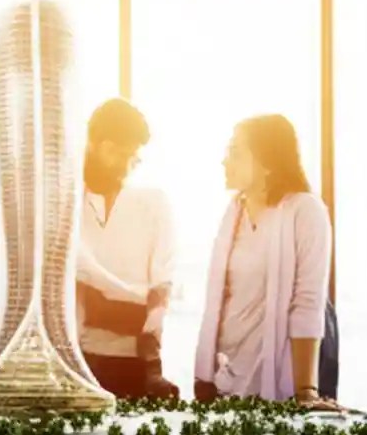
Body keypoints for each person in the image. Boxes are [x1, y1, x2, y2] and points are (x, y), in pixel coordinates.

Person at [193, 114, 336, 408]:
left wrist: (306, 391)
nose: (224, 161)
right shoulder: (233, 212)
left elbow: (307, 302)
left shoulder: (305, 211)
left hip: (273, 375)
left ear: (268, 163)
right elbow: (219, 302)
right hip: (226, 379)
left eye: (235, 152)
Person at [75, 98, 179, 400]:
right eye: (114, 152)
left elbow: (162, 285)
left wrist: (152, 364)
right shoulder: (66, 207)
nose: (124, 165)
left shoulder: (153, 204)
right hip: (77, 362)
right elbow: (75, 268)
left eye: (131, 157)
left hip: (135, 363)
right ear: (92, 144)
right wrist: (135, 300)